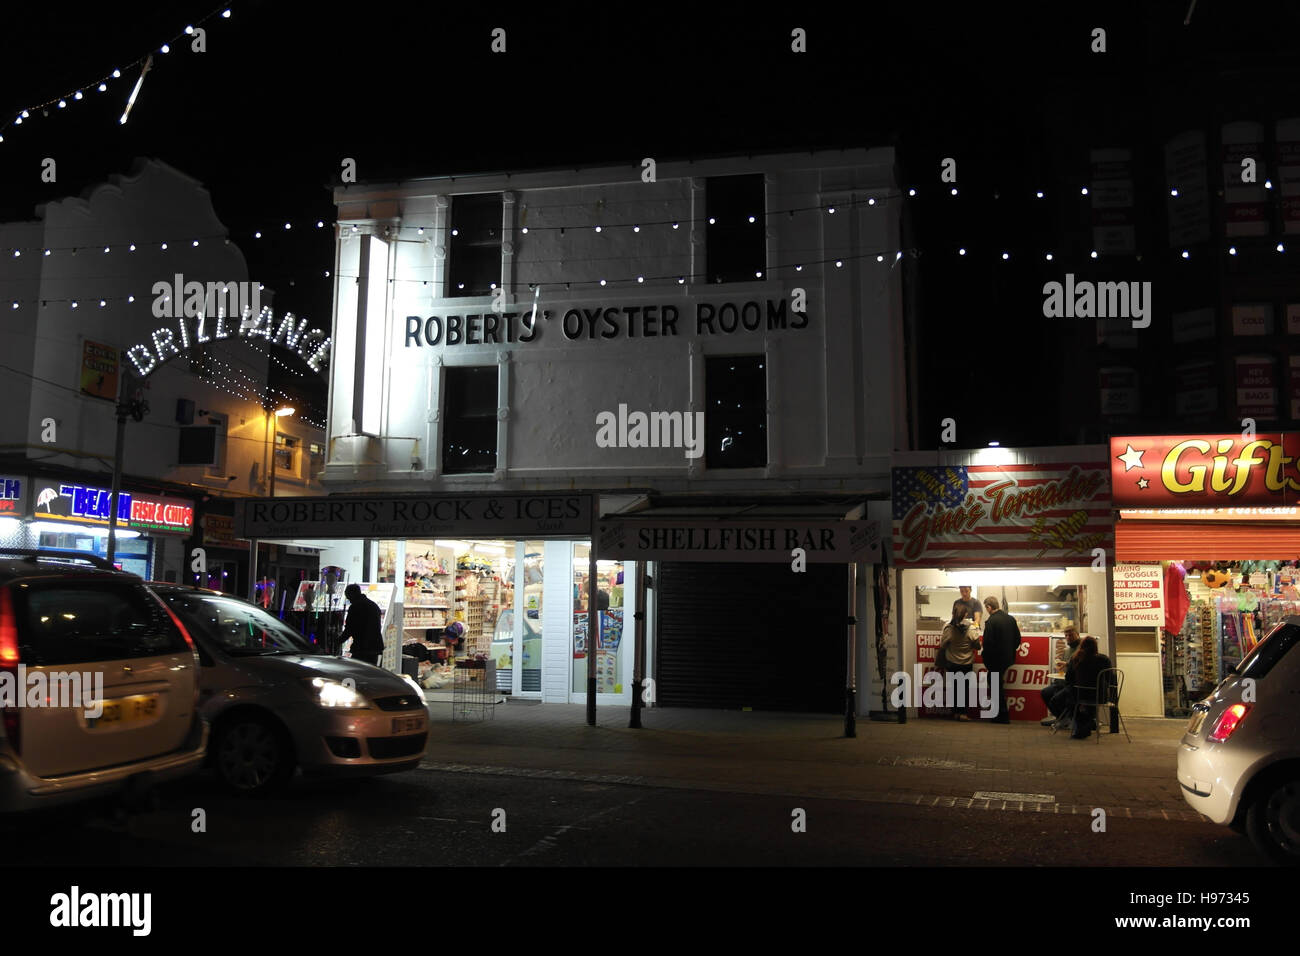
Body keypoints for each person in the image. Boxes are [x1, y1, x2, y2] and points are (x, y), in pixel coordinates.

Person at [980, 595, 1021, 723]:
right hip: (1006, 660)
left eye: (986, 608)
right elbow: (1018, 639)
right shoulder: (1010, 619)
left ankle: (1001, 715)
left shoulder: (991, 621)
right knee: (997, 685)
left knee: (995, 686)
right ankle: (1001, 715)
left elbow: (987, 643)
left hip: (994, 661)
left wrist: (986, 658)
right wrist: (1009, 652)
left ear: (989, 607)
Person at [1068, 636, 1114, 739]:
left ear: (1081, 646)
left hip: (1080, 695)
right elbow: (1110, 678)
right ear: (1095, 646)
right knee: (1091, 703)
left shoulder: (1075, 658)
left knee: (1069, 702)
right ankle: (1088, 723)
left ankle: (1084, 724)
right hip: (1100, 695)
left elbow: (1069, 678)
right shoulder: (1104, 659)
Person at [938, 615, 981, 720]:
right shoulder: (971, 629)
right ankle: (963, 713)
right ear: (965, 615)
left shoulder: (949, 628)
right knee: (964, 688)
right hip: (966, 663)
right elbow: (978, 646)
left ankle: (955, 712)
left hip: (952, 662)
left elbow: (942, 645)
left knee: (953, 688)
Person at [1040, 626, 1082, 728]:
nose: (1068, 637)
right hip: (1064, 681)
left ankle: (1067, 718)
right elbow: (1064, 670)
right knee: (1045, 692)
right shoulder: (1067, 651)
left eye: (1071, 635)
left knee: (1056, 697)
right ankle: (1062, 717)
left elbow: (1081, 666)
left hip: (1076, 684)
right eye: (1066, 635)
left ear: (1077, 634)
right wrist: (1060, 668)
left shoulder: (1081, 649)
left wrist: (1067, 665)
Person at [341, 583, 384, 666]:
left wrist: (338, 641)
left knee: (358, 672)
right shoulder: (373, 605)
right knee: (370, 673)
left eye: (349, 598)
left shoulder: (355, 607)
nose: (349, 601)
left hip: (362, 647)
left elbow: (349, 629)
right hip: (375, 647)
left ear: (352, 594)